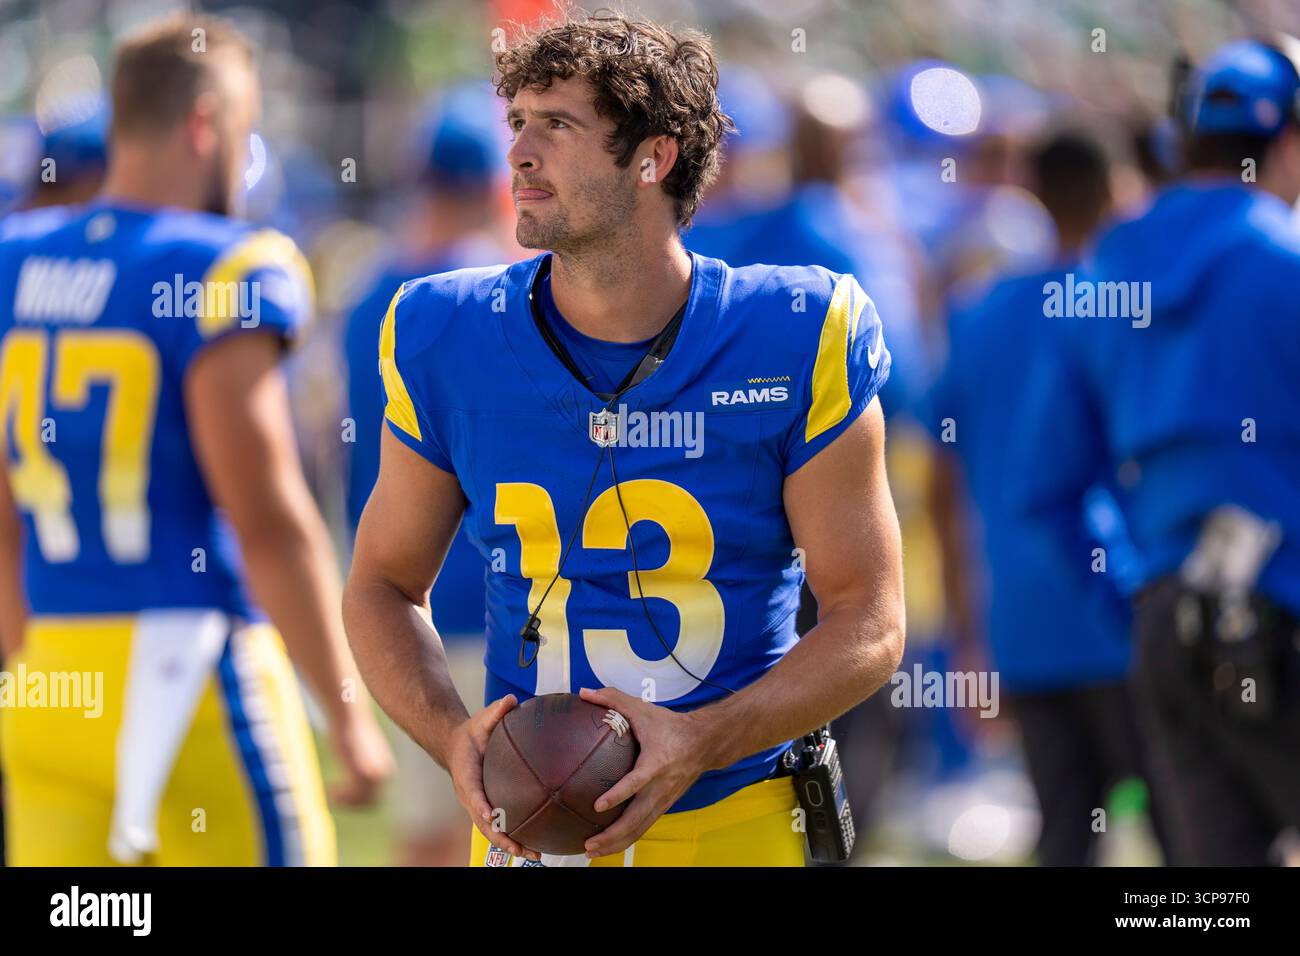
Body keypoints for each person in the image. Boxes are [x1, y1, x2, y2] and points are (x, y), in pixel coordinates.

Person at [343, 11, 905, 867]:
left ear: (655, 157)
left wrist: (703, 740)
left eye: (558, 126)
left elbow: (870, 617)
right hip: (534, 838)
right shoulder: (445, 330)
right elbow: (381, 581)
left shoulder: (794, 328)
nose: (521, 154)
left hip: (737, 822)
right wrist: (450, 736)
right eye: (518, 124)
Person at [0, 14, 391, 866]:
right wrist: (349, 714)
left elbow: (2, 521)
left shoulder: (12, 260)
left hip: (47, 680)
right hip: (189, 677)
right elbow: (270, 521)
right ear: (207, 125)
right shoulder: (225, 266)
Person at [1013, 38, 1300, 865]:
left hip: (1166, 632)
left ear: (1181, 143)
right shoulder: (1285, 261)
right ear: (1287, 145)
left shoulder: (1102, 276)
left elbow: (1044, 488)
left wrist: (1141, 595)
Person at [924, 130, 1165, 865]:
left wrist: (969, 633)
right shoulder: (1133, 309)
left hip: (1021, 620)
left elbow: (941, 482)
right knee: (1189, 834)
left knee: (1064, 832)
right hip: (1124, 613)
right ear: (1118, 193)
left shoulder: (979, 313)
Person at [342, 82, 506, 867]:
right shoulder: (500, 295)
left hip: (398, 600)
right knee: (521, 820)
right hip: (500, 588)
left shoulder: (369, 290)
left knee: (430, 831)